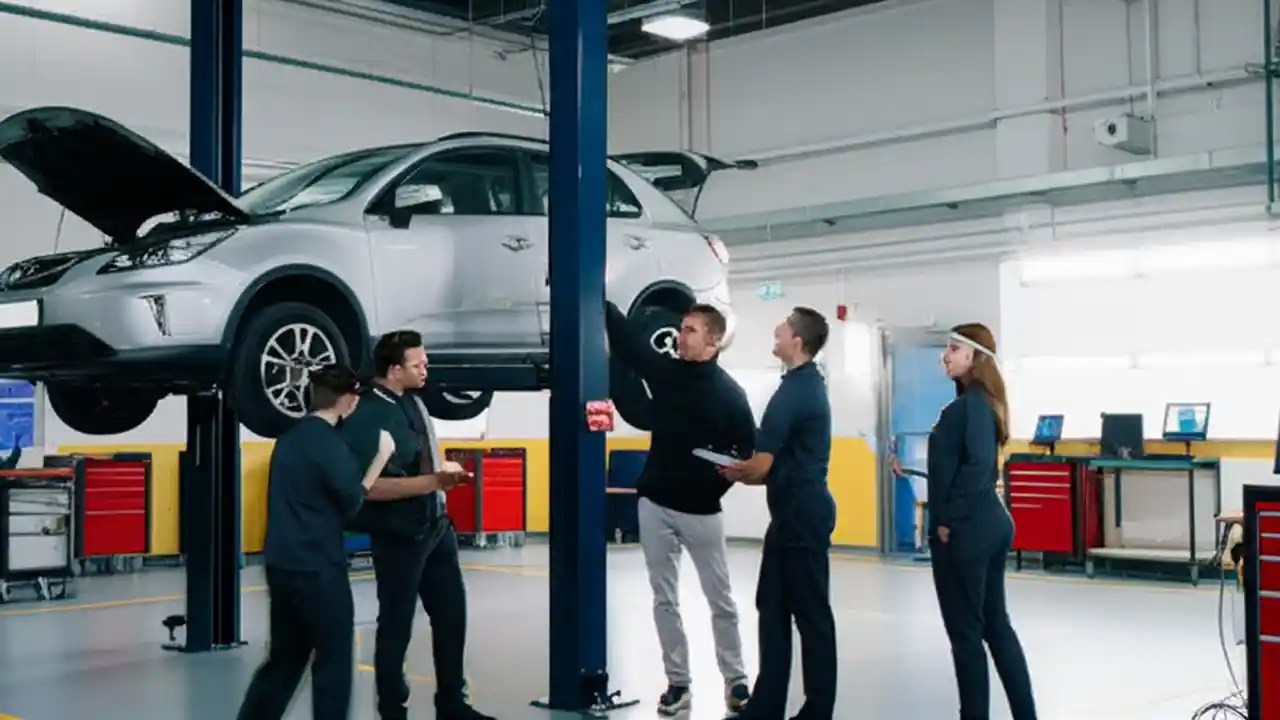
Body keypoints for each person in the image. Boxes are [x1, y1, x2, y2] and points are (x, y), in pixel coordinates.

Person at [237, 365, 451, 720]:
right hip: (318, 568)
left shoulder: (289, 439)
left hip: (281, 564)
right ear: (348, 399)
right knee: (333, 662)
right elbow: (352, 501)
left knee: (285, 658)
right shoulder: (329, 443)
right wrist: (380, 457)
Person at [605, 301, 757, 716]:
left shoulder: (730, 395)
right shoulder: (669, 374)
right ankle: (678, 683)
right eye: (681, 328)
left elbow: (747, 449)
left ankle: (736, 680)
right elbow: (634, 348)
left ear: (713, 339)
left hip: (702, 512)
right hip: (655, 504)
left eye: (689, 330)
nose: (679, 336)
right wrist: (600, 299)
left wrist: (726, 475)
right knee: (664, 599)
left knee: (720, 599)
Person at [338, 330, 495, 720]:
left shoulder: (411, 399)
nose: (426, 369)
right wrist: (433, 483)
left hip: (435, 527)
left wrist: (442, 478)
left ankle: (452, 704)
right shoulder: (368, 413)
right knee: (396, 625)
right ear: (393, 370)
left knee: (451, 615)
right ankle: (393, 710)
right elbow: (367, 489)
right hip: (399, 535)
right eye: (417, 364)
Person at [721, 307, 837, 720]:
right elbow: (771, 468)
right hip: (790, 514)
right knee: (772, 606)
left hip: (802, 516)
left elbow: (762, 465)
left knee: (810, 614)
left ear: (798, 341)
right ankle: (767, 706)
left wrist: (730, 471)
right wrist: (745, 472)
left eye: (784, 326)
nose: (777, 329)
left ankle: (817, 710)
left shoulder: (795, 392)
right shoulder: (803, 386)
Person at [927, 324, 1037, 720]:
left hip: (967, 531)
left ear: (974, 358)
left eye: (954, 349)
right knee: (995, 626)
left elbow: (975, 468)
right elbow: (966, 467)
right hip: (988, 523)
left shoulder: (969, 406)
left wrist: (946, 521)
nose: (946, 355)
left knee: (966, 635)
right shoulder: (980, 405)